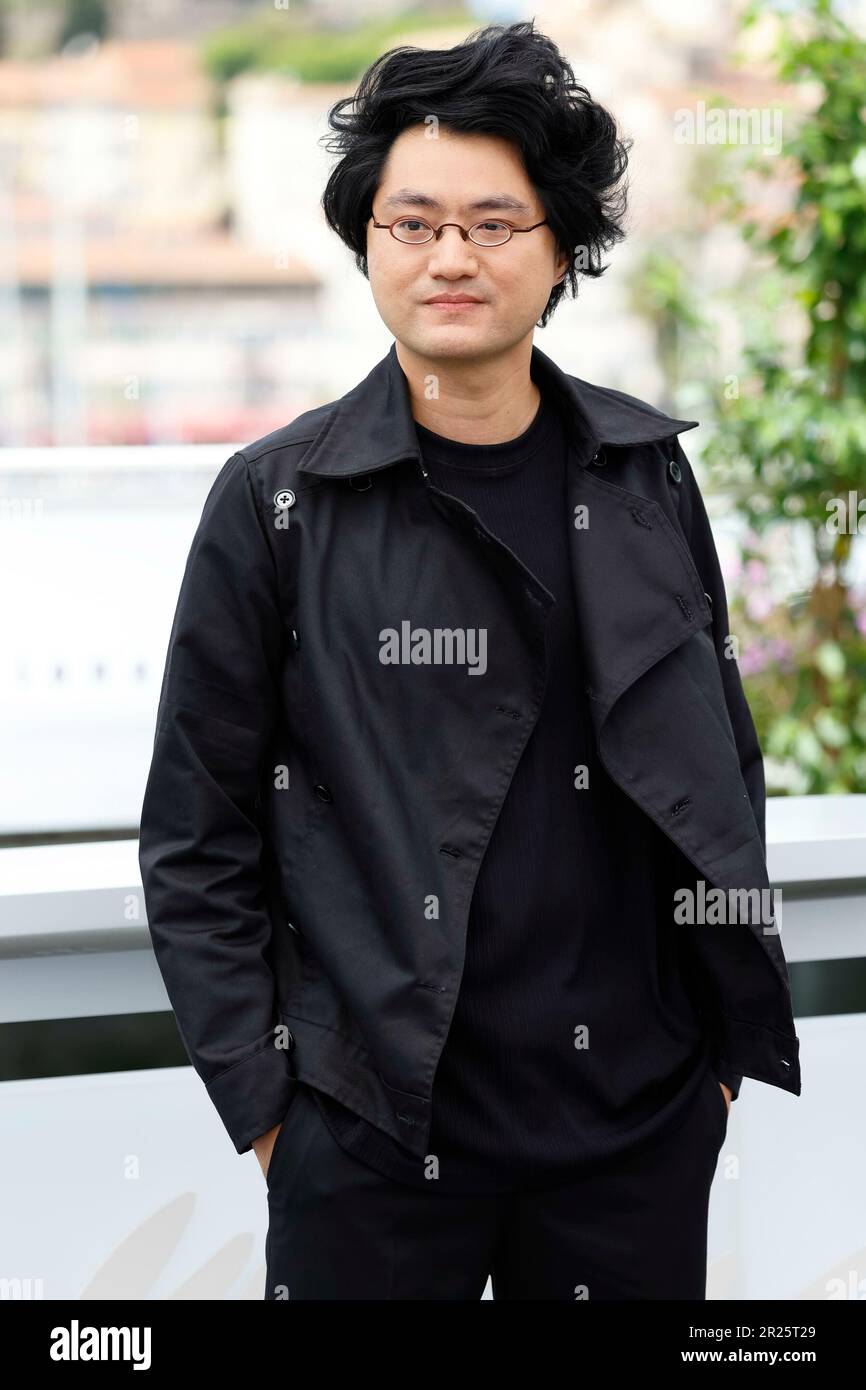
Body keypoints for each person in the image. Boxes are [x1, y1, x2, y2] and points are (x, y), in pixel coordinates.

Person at [138, 20, 801, 1300]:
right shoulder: (277, 500)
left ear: (559, 251)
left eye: (494, 224)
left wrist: (707, 1070)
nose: (451, 255)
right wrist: (274, 1111)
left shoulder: (642, 472)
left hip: (633, 1133)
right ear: (366, 244)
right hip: (372, 1140)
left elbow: (717, 758)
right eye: (413, 222)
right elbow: (194, 834)